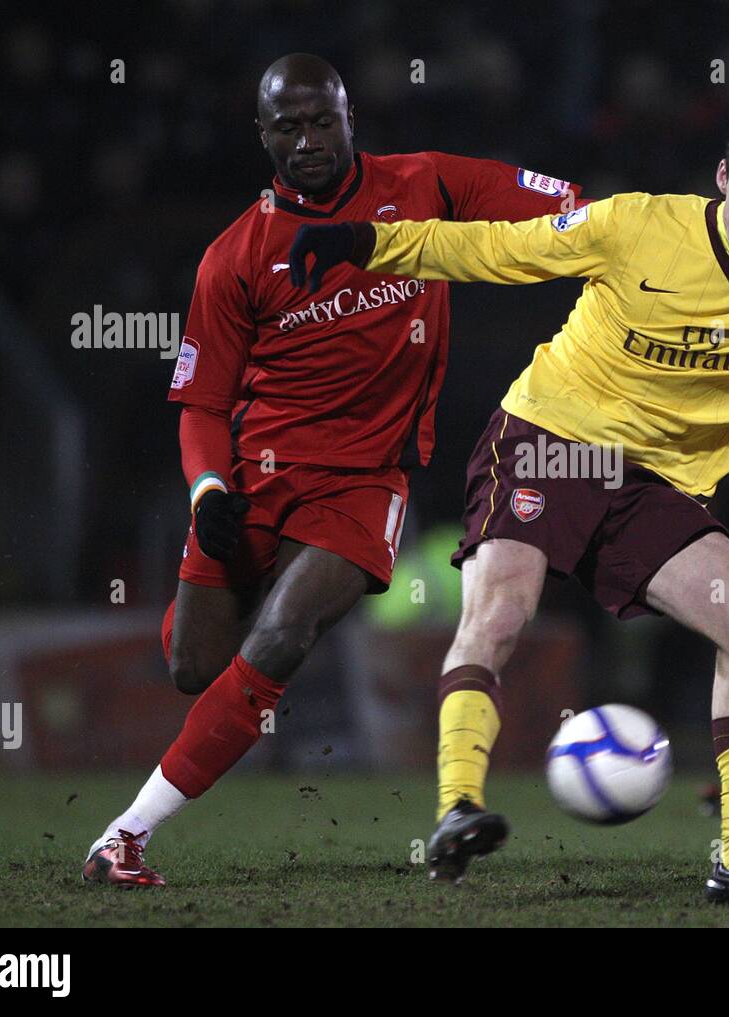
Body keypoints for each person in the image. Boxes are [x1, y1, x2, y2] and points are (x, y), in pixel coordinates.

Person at [289, 104, 729, 907]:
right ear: (722, 179)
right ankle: (457, 807)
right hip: (551, 439)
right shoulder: (635, 225)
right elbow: (491, 247)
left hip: (655, 485)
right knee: (503, 611)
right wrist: (364, 242)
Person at [82, 53, 581, 887]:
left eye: (323, 122)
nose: (309, 141)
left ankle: (124, 834)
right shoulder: (234, 256)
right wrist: (208, 490)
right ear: (262, 135)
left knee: (283, 635)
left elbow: (567, 207)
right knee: (193, 666)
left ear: (351, 119)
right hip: (257, 475)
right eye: (289, 127)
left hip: (364, 478)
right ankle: (226, 611)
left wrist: (645, 231)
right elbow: (201, 405)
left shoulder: (424, 184)